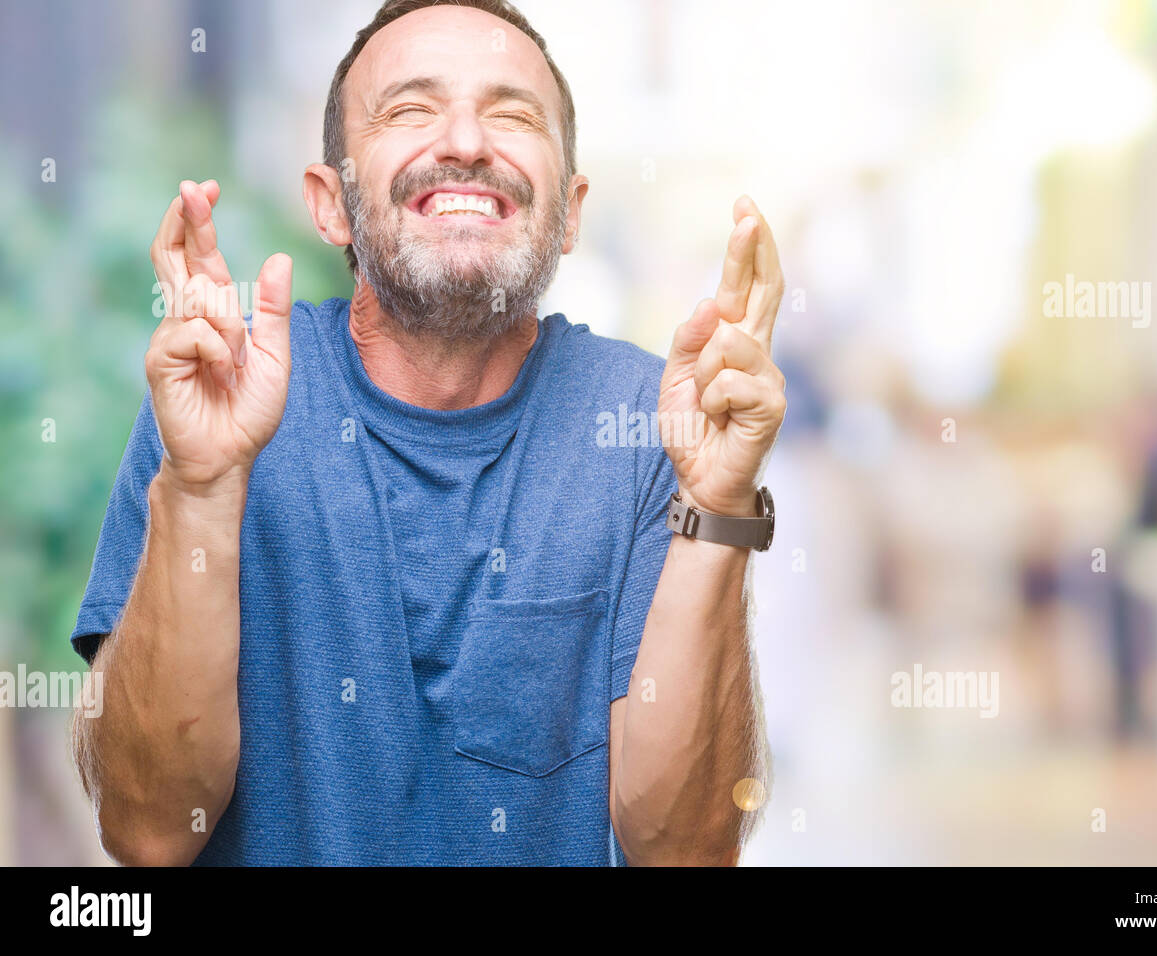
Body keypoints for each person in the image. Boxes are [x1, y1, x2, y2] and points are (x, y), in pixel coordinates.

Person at [70, 0, 787, 866]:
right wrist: (202, 489)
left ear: (568, 214)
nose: (465, 142)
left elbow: (683, 850)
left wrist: (715, 505)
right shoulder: (219, 399)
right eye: (410, 108)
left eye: (512, 114)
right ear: (330, 205)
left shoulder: (645, 425)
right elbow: (148, 831)